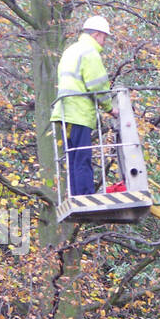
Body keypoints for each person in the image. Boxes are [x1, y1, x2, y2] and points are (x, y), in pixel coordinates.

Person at [50, 16, 114, 197]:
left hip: (65, 114)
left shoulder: (70, 51)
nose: (105, 42)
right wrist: (110, 108)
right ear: (97, 34)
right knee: (83, 157)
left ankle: (77, 195)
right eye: (104, 37)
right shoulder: (89, 53)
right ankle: (86, 196)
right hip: (79, 113)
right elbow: (97, 85)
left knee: (73, 157)